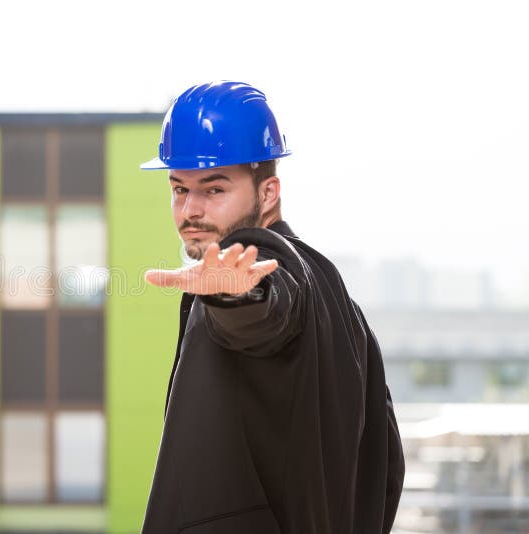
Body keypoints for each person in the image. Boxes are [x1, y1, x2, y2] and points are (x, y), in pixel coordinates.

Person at [139, 81, 405, 533]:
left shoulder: (263, 265)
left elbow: (266, 309)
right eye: (179, 190)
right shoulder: (340, 299)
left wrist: (234, 295)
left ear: (267, 193)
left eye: (214, 189)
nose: (190, 210)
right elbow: (388, 467)